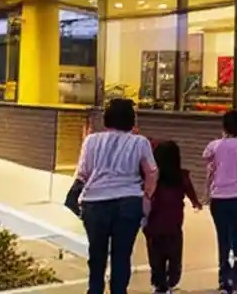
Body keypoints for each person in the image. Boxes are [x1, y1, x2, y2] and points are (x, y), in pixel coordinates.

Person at [74, 98, 157, 294]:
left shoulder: (91, 141)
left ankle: (95, 289)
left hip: (94, 202)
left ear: (107, 118)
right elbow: (151, 172)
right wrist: (146, 196)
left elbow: (83, 172)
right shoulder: (140, 142)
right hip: (129, 201)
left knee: (97, 253)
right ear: (131, 119)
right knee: (122, 254)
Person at [203, 110, 237, 294]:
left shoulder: (214, 146)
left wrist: (205, 194)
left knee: (222, 237)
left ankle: (223, 277)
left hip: (219, 197)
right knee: (236, 234)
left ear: (223, 126)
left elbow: (208, 167)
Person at [144, 140, 201, 294]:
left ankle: (159, 283)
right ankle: (171, 280)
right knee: (174, 254)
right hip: (174, 224)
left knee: (156, 255)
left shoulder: (153, 177)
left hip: (153, 223)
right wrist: (196, 203)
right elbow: (190, 192)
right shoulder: (181, 177)